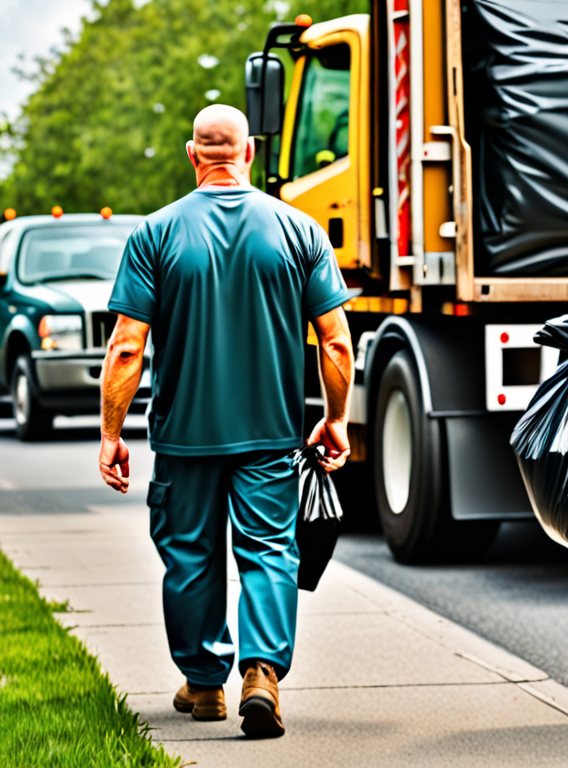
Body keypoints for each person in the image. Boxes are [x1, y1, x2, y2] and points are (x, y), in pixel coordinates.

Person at [97, 104, 354, 738]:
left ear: (193, 154)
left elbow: (126, 346)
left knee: (189, 555)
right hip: (269, 433)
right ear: (249, 152)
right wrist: (336, 418)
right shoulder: (299, 230)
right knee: (270, 552)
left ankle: (205, 682)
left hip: (184, 435)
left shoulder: (154, 233)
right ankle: (261, 673)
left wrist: (111, 433)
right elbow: (337, 342)